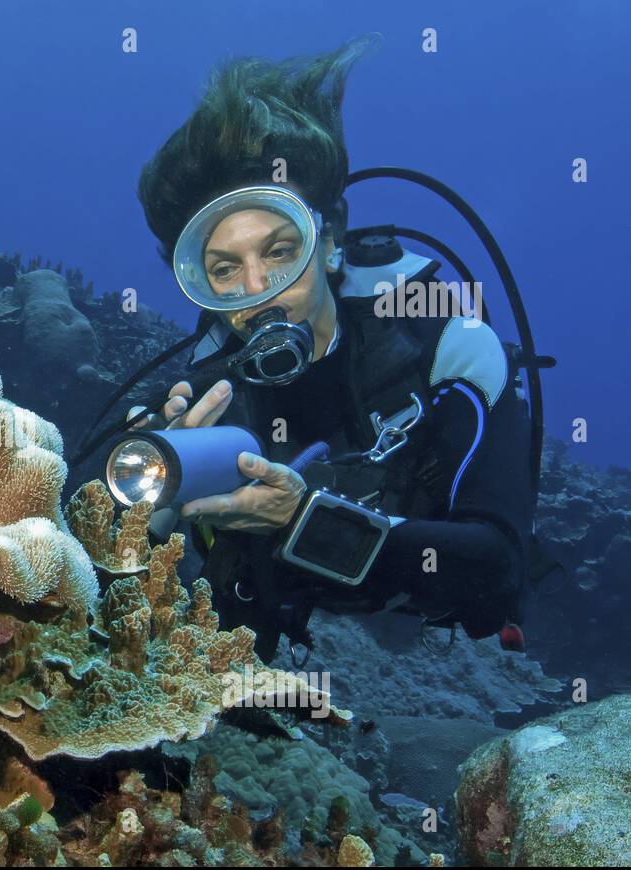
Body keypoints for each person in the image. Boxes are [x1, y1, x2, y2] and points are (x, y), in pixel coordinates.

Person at [129, 35, 536, 663]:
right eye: (224, 269)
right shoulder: (209, 391)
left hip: (427, 596)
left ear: (330, 241)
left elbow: (499, 567)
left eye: (281, 251)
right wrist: (153, 498)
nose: (259, 290)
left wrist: (302, 520)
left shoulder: (447, 349)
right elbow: (112, 559)